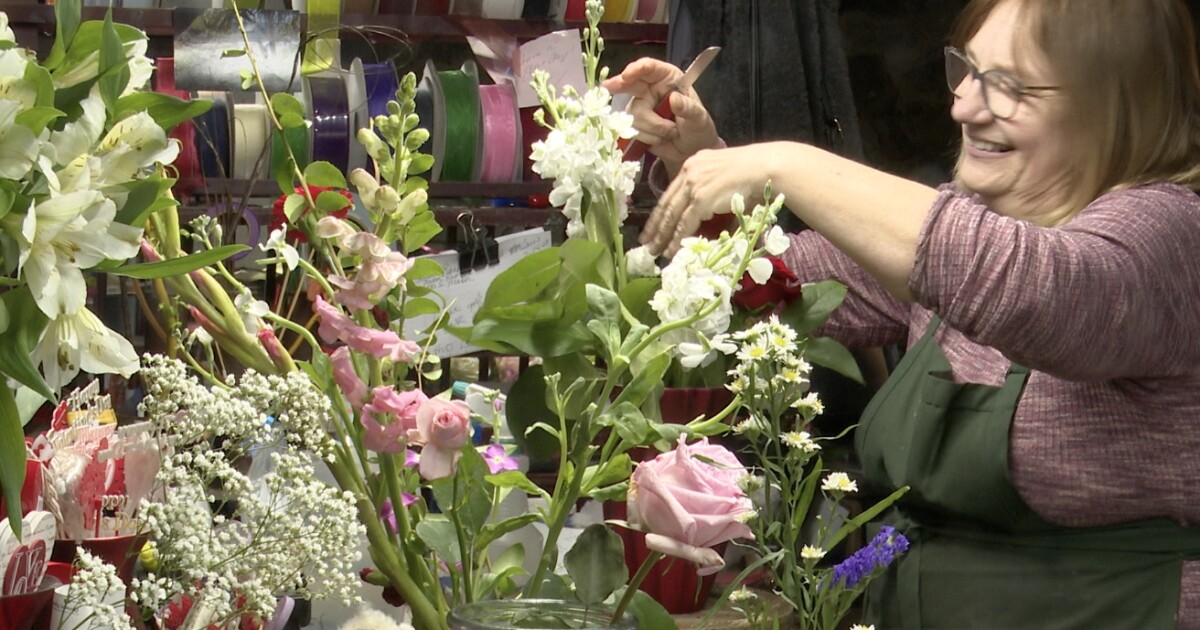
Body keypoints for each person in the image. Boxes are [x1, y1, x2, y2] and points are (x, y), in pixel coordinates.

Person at [604, 0, 1200, 627]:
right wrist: (700, 165)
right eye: (967, 70)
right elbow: (780, 285)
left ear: (1113, 104)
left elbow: (1036, 291)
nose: (964, 107)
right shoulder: (961, 232)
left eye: (1010, 86)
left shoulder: (1170, 235)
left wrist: (787, 164)